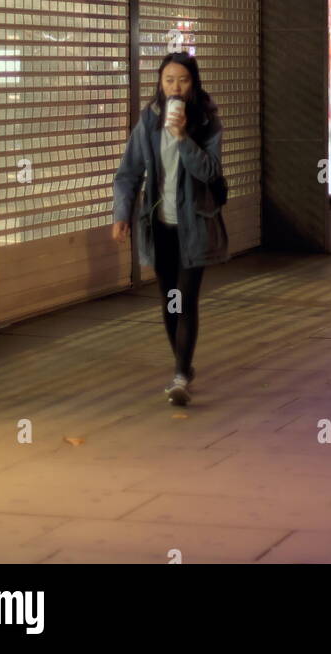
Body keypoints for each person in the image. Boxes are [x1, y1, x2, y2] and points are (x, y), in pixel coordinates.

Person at [112, 53, 228, 405]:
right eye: (168, 80)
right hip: (160, 226)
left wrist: (182, 139)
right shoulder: (148, 121)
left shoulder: (207, 122)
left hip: (194, 225)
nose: (175, 87)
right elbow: (129, 172)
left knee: (187, 298)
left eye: (183, 80)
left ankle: (180, 373)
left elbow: (210, 172)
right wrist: (122, 214)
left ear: (193, 84)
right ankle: (183, 365)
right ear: (160, 85)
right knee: (170, 300)